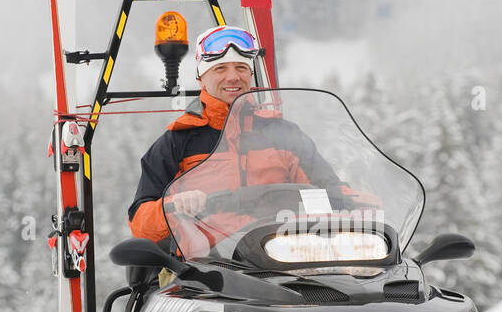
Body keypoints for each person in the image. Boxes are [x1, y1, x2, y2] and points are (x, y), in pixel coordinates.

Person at [128, 21, 346, 252]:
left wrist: (368, 201)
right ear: (201, 78)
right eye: (220, 69)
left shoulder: (283, 134)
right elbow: (140, 223)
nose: (233, 77)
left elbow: (333, 191)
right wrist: (172, 206)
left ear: (250, 74)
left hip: (282, 255)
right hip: (206, 266)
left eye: (241, 68)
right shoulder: (178, 141)